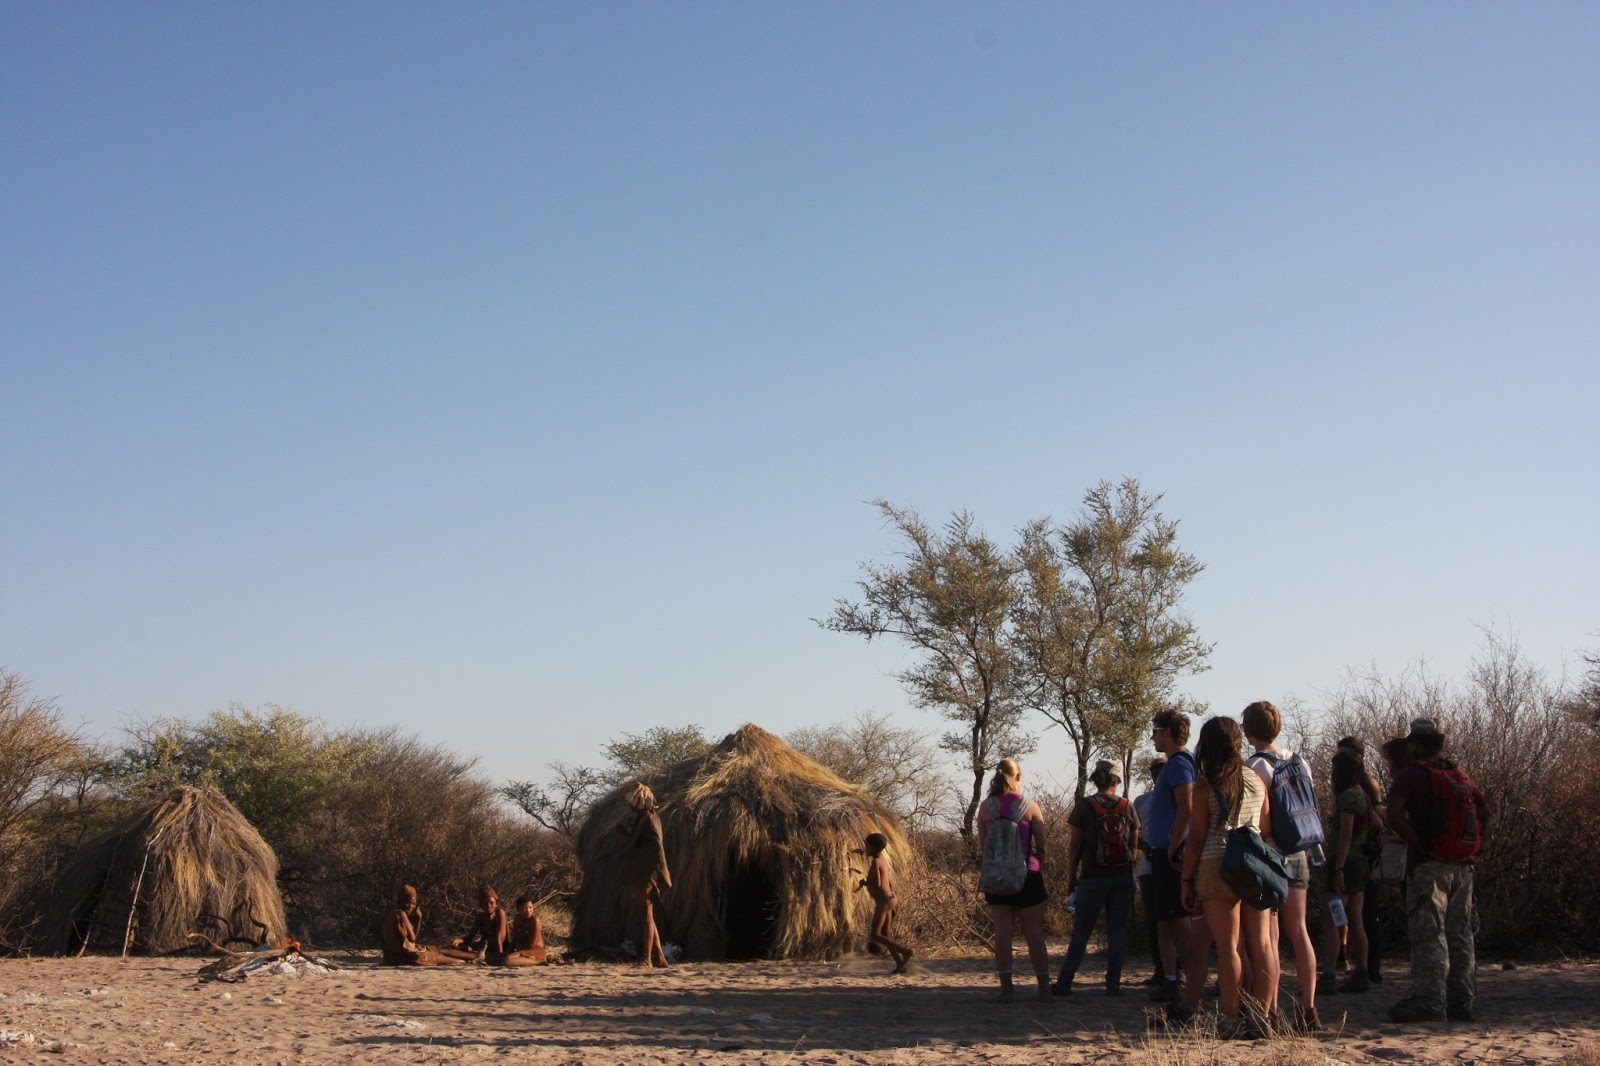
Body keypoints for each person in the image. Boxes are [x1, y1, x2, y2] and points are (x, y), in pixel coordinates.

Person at [1385, 717, 1489, 1023]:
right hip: (1463, 866)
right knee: (1461, 934)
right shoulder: (1459, 774)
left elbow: (1393, 815)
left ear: (1414, 744)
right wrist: (1475, 847)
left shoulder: (1411, 776)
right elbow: (1485, 811)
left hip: (1429, 867)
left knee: (1429, 934)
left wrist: (1420, 843)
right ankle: (1462, 1001)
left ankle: (1430, 1001)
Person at [1179, 716, 1275, 1039]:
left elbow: (1196, 838)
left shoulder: (1206, 786)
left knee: (1228, 947)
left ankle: (1230, 1018)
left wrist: (1187, 879)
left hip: (1215, 865)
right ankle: (1262, 1015)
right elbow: (1265, 828)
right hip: (1253, 867)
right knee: (1262, 945)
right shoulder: (1256, 781)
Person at [1242, 700, 1321, 1032]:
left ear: (1248, 730)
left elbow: (1259, 818)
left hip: (1271, 855)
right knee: (1300, 930)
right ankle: (1309, 1009)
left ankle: (1270, 1009)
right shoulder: (1299, 760)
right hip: (1301, 850)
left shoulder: (1255, 766)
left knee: (1269, 936)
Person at [1053, 759, 1140, 996]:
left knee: (1081, 930)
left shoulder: (1085, 805)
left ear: (1096, 778)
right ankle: (1113, 983)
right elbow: (1135, 845)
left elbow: (1074, 847)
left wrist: (1073, 877)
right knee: (1117, 932)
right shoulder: (1127, 806)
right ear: (1116, 780)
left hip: (1092, 878)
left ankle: (1065, 982)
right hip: (1122, 877)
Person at [977, 757, 1051, 1002]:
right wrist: (1036, 863)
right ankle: (1044, 987)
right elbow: (1041, 846)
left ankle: (1007, 988)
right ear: (1018, 777)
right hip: (1028, 874)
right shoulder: (1030, 807)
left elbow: (984, 845)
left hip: (997, 876)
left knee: (1002, 931)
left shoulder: (986, 808)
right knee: (1033, 932)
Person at [1144, 708, 1195, 1004]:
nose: (1152, 737)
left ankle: (1189, 979)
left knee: (1178, 921)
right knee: (1165, 920)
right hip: (1162, 852)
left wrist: (1175, 848)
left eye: (1155, 731)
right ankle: (1171, 979)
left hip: (1170, 854)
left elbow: (1187, 808)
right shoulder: (1173, 764)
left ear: (1168, 733)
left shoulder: (1178, 765)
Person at [1321, 750, 1374, 994]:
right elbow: (1377, 824)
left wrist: (1339, 867)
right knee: (1355, 917)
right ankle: (1362, 970)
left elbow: (1344, 835)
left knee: (1332, 919)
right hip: (1360, 862)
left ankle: (1329, 973)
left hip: (1344, 863)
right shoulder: (1364, 794)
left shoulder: (1347, 798)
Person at [1339, 735, 1388, 985]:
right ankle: (1354, 962)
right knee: (1357, 913)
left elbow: (1377, 821)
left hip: (1361, 855)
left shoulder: (1363, 785)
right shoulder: (1361, 785)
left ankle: (1368, 967)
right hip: (1364, 853)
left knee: (1363, 913)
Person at [615, 782, 673, 968]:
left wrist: (649, 869)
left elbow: (655, 846)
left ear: (639, 802)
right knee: (647, 914)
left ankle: (647, 958)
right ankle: (660, 957)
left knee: (646, 914)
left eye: (632, 802)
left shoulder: (648, 819)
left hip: (648, 873)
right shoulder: (647, 818)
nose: (629, 805)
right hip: (646, 871)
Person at [859, 832, 913, 974]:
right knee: (886, 933)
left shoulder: (876, 861)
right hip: (889, 897)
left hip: (884, 900)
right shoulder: (883, 859)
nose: (865, 848)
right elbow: (888, 882)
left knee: (875, 934)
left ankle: (905, 952)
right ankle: (900, 964)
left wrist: (864, 882)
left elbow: (876, 883)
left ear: (873, 847)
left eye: (867, 845)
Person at [1134, 756, 1166, 985]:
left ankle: (1175, 969)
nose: (1158, 774)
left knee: (1173, 920)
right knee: (1154, 919)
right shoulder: (1141, 801)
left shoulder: (1180, 797)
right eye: (1155, 770)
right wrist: (1143, 845)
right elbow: (1132, 834)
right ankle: (1160, 969)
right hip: (1147, 867)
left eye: (1161, 770)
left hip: (1172, 865)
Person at [379, 884, 465, 966]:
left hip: (391, 957)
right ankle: (466, 961)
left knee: (436, 949)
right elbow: (413, 939)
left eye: (413, 904)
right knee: (439, 956)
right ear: (401, 901)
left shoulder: (391, 914)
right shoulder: (401, 914)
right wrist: (419, 918)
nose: (411, 907)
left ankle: (473, 957)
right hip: (405, 957)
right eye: (408, 903)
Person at [444, 884, 510, 963]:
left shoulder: (500, 913)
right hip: (483, 946)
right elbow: (470, 937)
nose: (488, 906)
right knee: (457, 947)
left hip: (498, 946)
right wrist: (458, 940)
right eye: (485, 903)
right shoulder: (480, 916)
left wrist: (500, 955)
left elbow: (499, 937)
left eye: (491, 903)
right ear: (481, 905)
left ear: (496, 904)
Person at [502, 896, 549, 966]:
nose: (528, 910)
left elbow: (532, 944)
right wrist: (508, 952)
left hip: (534, 951)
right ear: (518, 909)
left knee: (507, 960)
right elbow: (515, 938)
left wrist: (519, 952)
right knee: (492, 958)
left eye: (530, 908)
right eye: (525, 908)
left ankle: (539, 962)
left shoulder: (535, 920)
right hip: (522, 951)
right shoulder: (517, 919)